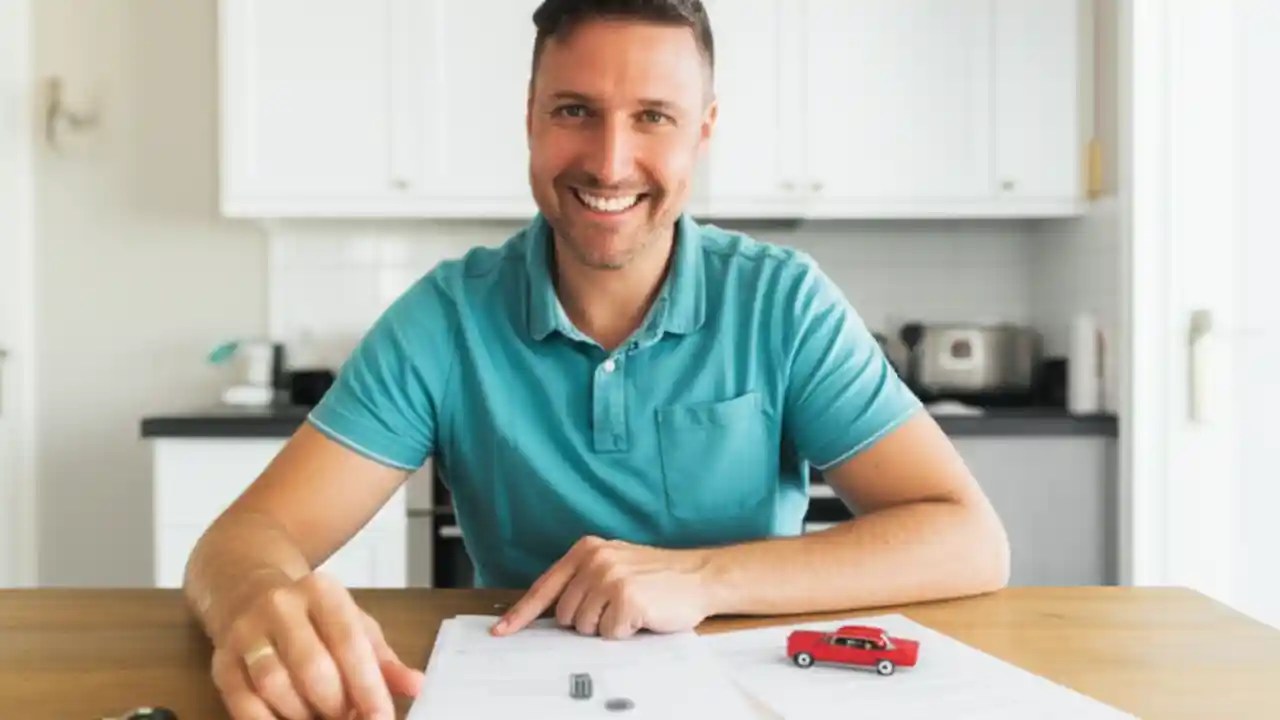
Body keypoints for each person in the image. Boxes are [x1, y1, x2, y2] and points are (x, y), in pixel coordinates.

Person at [184, 0, 1011, 717]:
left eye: (654, 116)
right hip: (520, 700)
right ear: (531, 117)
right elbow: (243, 539)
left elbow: (968, 540)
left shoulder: (782, 302)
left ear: (704, 131)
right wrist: (258, 603)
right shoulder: (444, 319)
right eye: (576, 110)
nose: (611, 163)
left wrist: (702, 580)